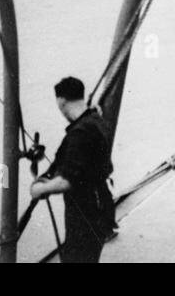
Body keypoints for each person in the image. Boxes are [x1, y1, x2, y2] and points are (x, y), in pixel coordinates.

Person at [29, 76, 114, 263]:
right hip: (101, 206)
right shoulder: (96, 120)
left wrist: (39, 189)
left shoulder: (79, 133)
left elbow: (67, 181)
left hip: (85, 213)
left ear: (61, 101)